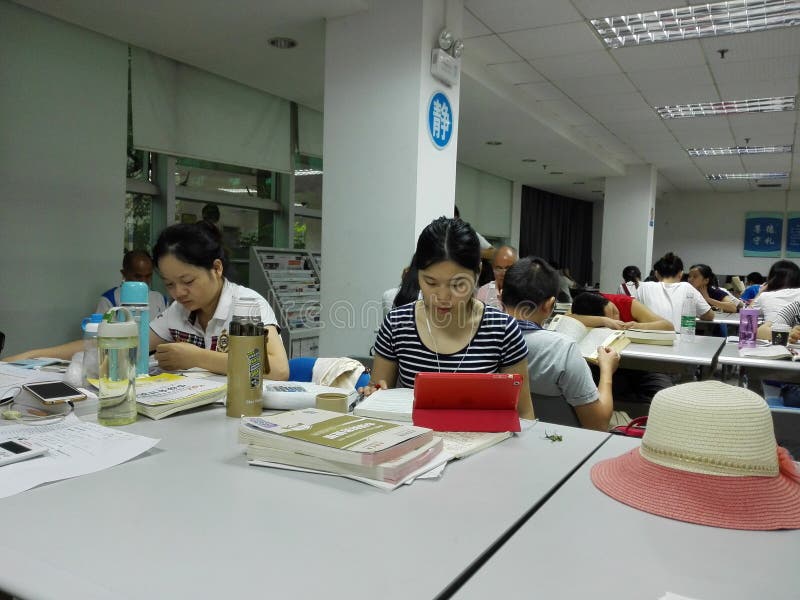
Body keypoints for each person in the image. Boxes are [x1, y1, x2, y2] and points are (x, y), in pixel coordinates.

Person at [7, 222, 290, 379]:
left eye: (188, 281)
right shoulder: (178, 311)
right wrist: (34, 355)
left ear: (216, 268)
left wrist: (197, 358)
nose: (178, 293)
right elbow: (121, 340)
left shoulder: (248, 305)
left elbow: (278, 369)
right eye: (168, 284)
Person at [363, 216, 533, 419]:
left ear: (477, 272)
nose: (442, 297)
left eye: (457, 285)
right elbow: (379, 399)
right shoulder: (397, 324)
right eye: (431, 283)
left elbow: (524, 414)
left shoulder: (502, 330)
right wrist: (373, 396)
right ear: (416, 274)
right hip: (416, 444)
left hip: (482, 445)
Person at [502, 257, 619, 431]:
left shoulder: (484, 339)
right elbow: (598, 424)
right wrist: (607, 370)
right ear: (550, 305)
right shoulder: (563, 349)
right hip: (567, 446)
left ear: (501, 296)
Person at [570, 292, 674, 403]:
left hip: (642, 366)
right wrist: (605, 321)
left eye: (614, 311)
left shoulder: (626, 303)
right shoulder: (582, 306)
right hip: (607, 366)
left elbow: (668, 326)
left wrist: (638, 326)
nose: (617, 317)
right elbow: (567, 319)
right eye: (611, 318)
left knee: (663, 394)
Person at [635, 252, 713, 330]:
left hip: (647, 338)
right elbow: (709, 315)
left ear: (656, 274)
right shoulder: (687, 288)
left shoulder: (643, 287)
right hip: (678, 339)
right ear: (681, 274)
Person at [96, 249, 169, 319]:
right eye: (138, 276)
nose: (144, 281)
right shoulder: (109, 300)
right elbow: (103, 329)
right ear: (124, 274)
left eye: (148, 276)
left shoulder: (160, 299)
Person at [750, 260, 800, 324]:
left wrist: (761, 291)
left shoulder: (765, 296)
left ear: (772, 279)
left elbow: (748, 313)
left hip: (774, 333)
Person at [476, 245, 517, 310]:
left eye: (508, 268)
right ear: (493, 269)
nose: (503, 273)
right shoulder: (483, 293)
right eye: (499, 268)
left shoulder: (524, 292)